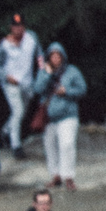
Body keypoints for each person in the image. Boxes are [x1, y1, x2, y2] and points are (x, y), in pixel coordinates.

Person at [32, 42, 87, 190]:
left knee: (67, 145)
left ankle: (68, 176)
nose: (56, 58)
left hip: (68, 115)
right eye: (53, 55)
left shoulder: (72, 71)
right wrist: (47, 74)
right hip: (49, 117)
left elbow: (82, 89)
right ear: (48, 57)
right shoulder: (44, 71)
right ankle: (55, 175)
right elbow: (37, 89)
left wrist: (67, 91)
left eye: (58, 55)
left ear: (63, 56)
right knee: (50, 147)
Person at [0, 13, 42, 160]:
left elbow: (39, 56)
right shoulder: (5, 44)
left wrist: (42, 71)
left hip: (27, 82)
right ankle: (16, 146)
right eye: (15, 26)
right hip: (10, 84)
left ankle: (6, 130)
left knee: (22, 112)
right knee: (18, 111)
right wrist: (6, 77)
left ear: (24, 26)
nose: (18, 29)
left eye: (20, 26)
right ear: (11, 28)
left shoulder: (32, 38)